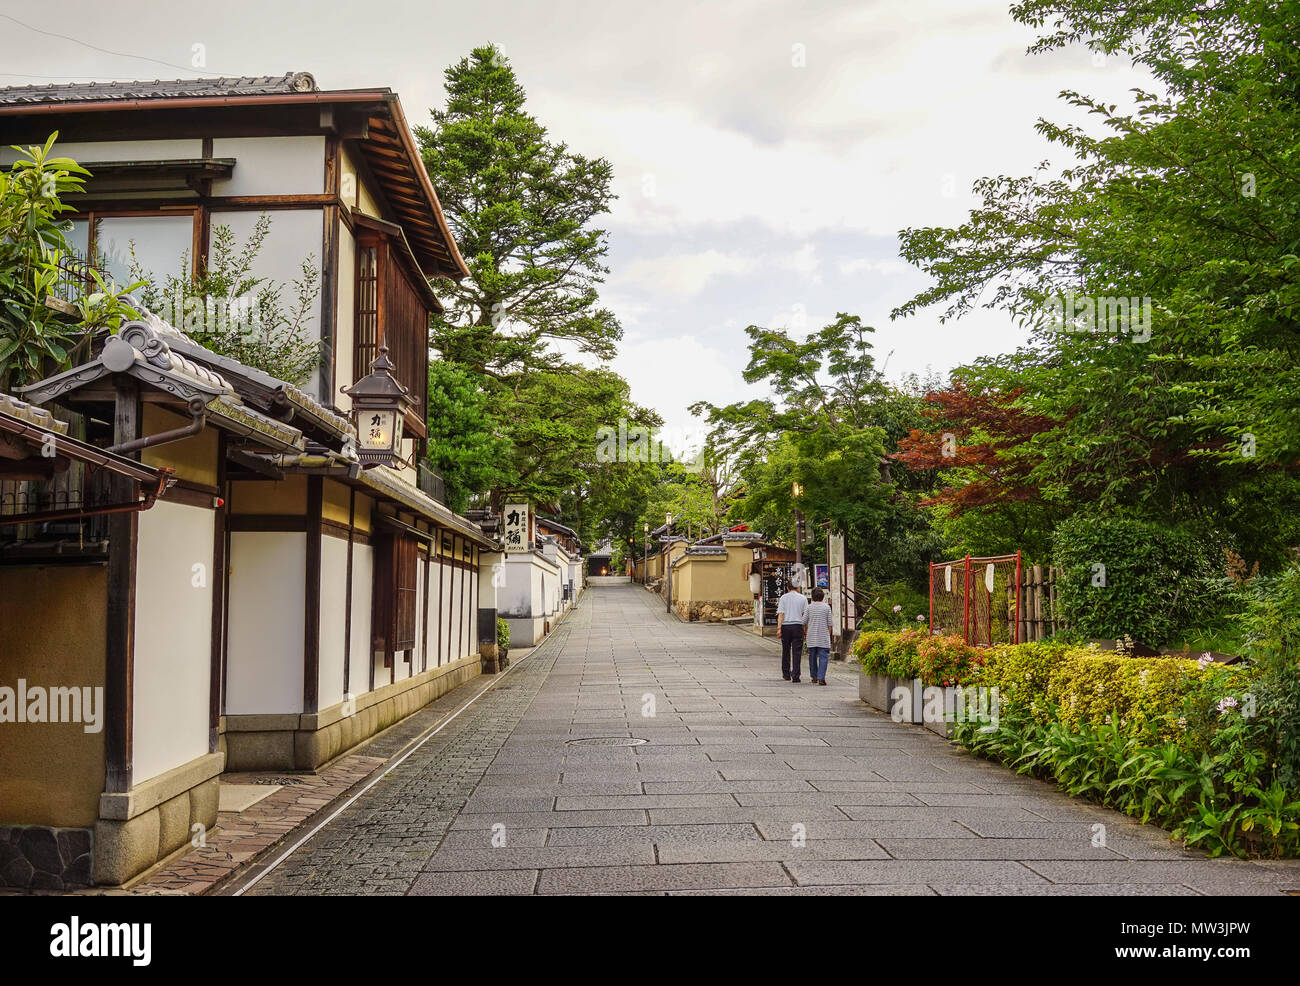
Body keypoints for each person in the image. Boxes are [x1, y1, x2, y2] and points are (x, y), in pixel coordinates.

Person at [775, 582, 809, 682]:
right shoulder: (803, 598)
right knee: (797, 652)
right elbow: (805, 615)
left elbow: (781, 614)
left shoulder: (783, 598)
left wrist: (779, 629)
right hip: (798, 626)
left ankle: (786, 674)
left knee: (785, 650)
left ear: (787, 588)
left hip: (785, 626)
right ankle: (795, 675)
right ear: (797, 588)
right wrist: (806, 629)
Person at [804, 587, 835, 685]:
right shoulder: (827, 607)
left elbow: (804, 621)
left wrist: (806, 630)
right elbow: (830, 624)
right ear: (822, 597)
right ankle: (821, 678)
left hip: (811, 636)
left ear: (812, 597)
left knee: (812, 657)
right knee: (823, 658)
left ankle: (814, 677)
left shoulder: (809, 607)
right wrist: (828, 635)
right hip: (823, 637)